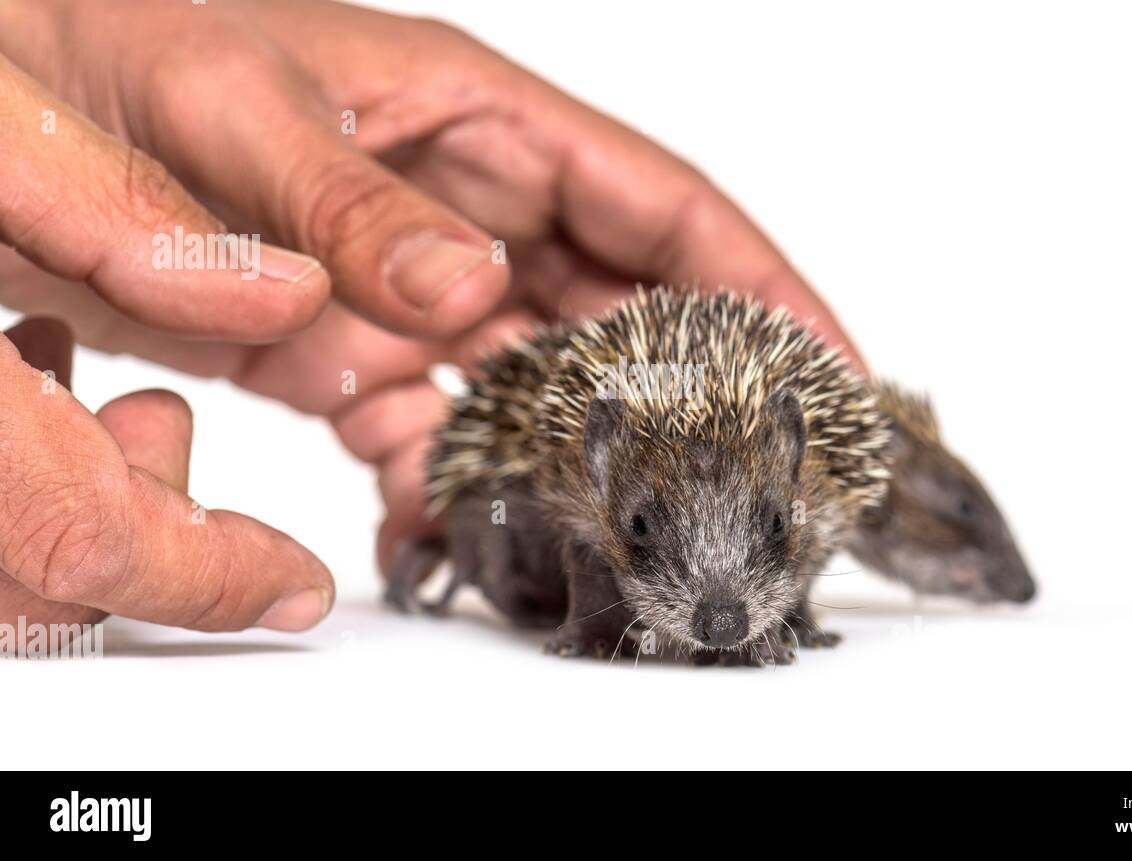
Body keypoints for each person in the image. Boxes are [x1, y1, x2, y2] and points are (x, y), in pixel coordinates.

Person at [0, 0, 861, 634]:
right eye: (640, 528)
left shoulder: (796, 477)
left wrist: (54, 31)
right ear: (597, 456)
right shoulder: (570, 479)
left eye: (772, 528)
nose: (718, 618)